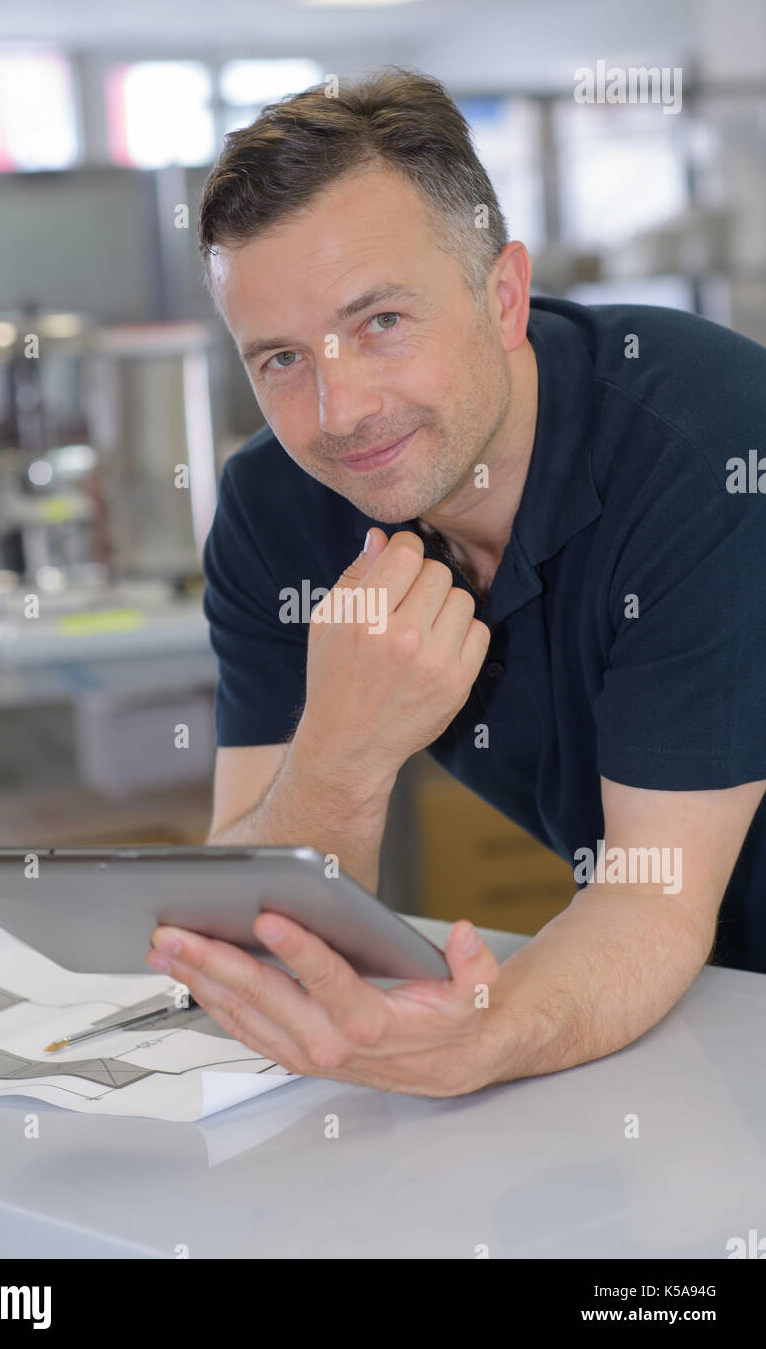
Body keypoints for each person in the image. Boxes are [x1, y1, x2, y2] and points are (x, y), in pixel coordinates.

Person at [146, 68, 766, 1099]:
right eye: (282, 359)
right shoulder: (277, 508)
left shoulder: (704, 441)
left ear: (503, 296)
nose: (340, 410)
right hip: (692, 999)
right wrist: (338, 756)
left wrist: (481, 1035)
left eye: (381, 320)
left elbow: (649, 898)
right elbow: (245, 924)